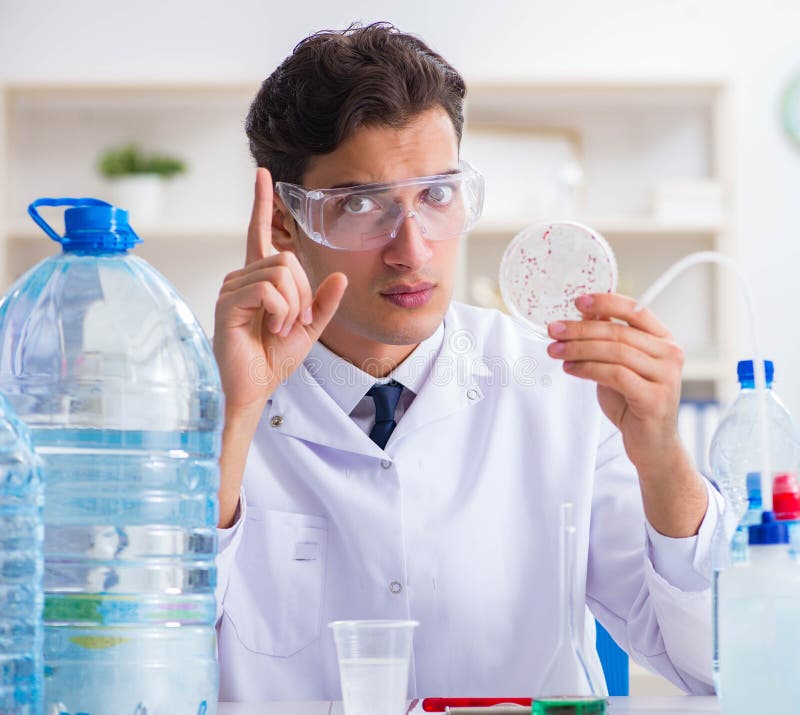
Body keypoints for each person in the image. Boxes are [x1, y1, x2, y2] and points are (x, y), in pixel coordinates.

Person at [213, 22, 721, 701]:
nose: (412, 249)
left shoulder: (561, 386)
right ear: (284, 221)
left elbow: (712, 660)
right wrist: (232, 418)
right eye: (362, 205)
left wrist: (661, 451)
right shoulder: (208, 400)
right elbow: (137, 663)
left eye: (437, 194)